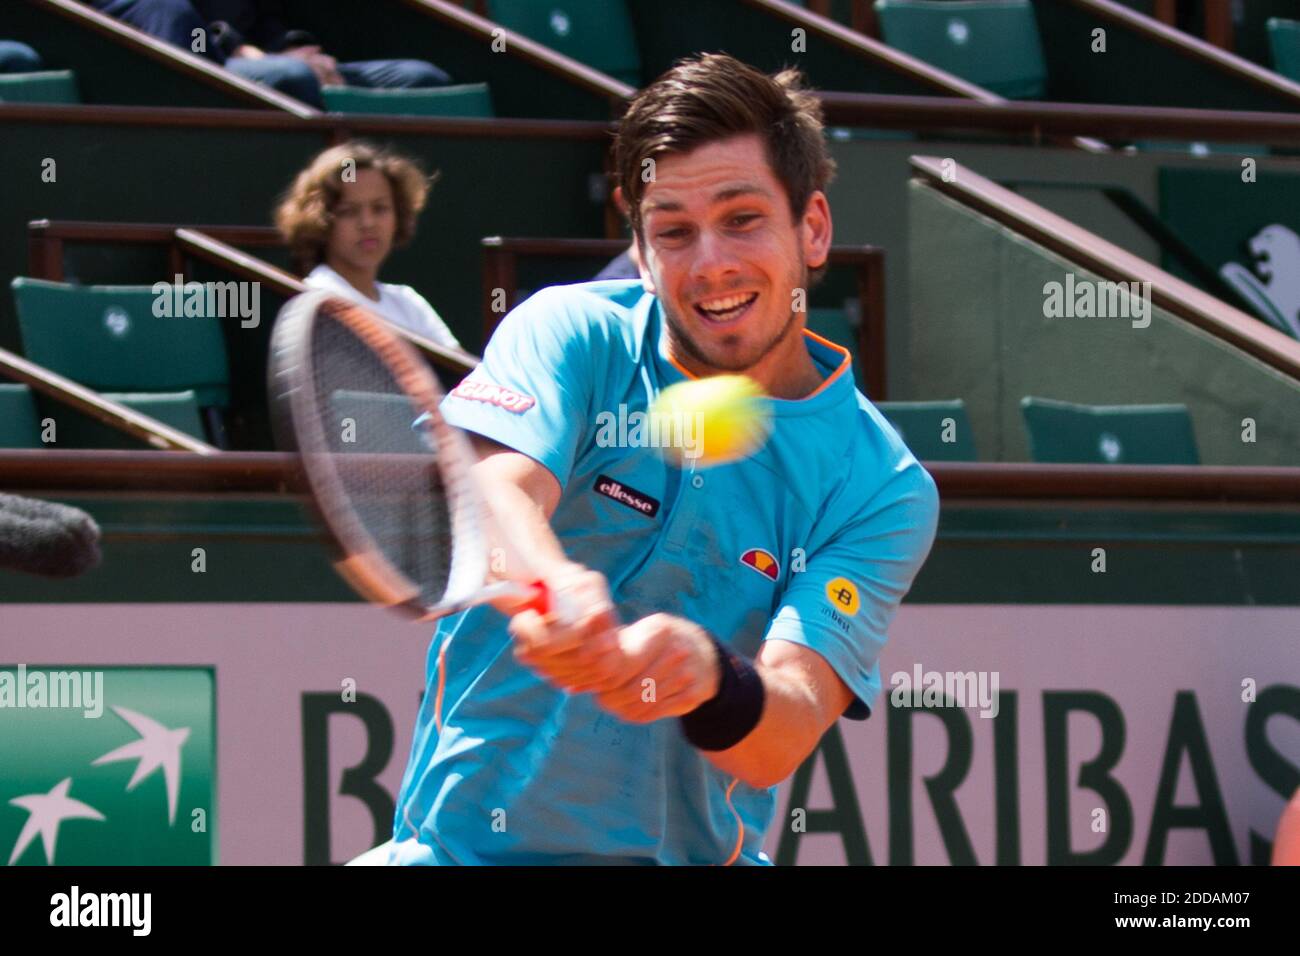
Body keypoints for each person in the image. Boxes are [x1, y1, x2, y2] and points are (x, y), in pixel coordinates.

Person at [366, 53, 939, 865]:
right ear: (639, 250)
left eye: (742, 218)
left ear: (812, 228)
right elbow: (495, 490)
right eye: (673, 230)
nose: (711, 264)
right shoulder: (570, 331)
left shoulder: (880, 486)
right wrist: (551, 582)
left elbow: (783, 731)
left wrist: (708, 675)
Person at [88, 0, 451, 108]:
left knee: (420, 80)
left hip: (269, 60)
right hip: (202, 73)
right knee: (291, 78)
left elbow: (262, 16)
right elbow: (162, 16)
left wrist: (293, 48)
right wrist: (236, 47)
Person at [274, 142, 461, 349]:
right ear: (320, 220)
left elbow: (461, 373)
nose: (367, 223)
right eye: (349, 211)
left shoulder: (409, 302)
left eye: (380, 208)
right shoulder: (315, 301)